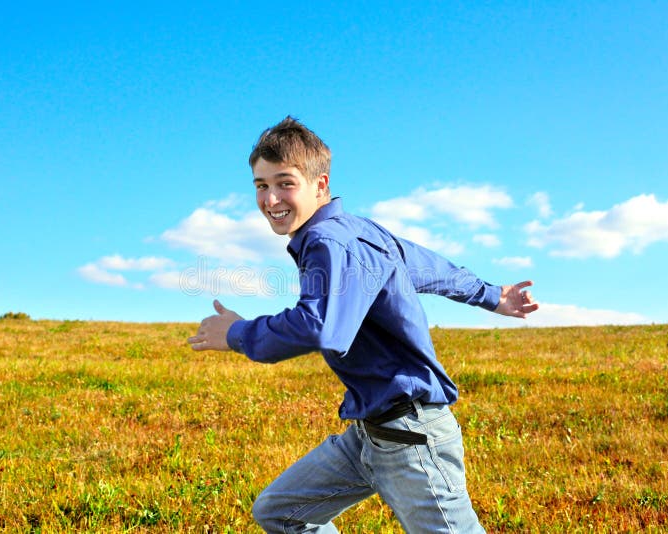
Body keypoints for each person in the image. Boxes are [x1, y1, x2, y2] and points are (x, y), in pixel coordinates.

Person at [188, 116, 539, 533]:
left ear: (320, 185)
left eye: (285, 183)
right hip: (369, 436)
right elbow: (430, 267)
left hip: (411, 437)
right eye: (261, 185)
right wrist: (491, 295)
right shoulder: (356, 232)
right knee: (280, 511)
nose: (271, 198)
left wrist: (236, 333)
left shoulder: (327, 241)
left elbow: (320, 326)